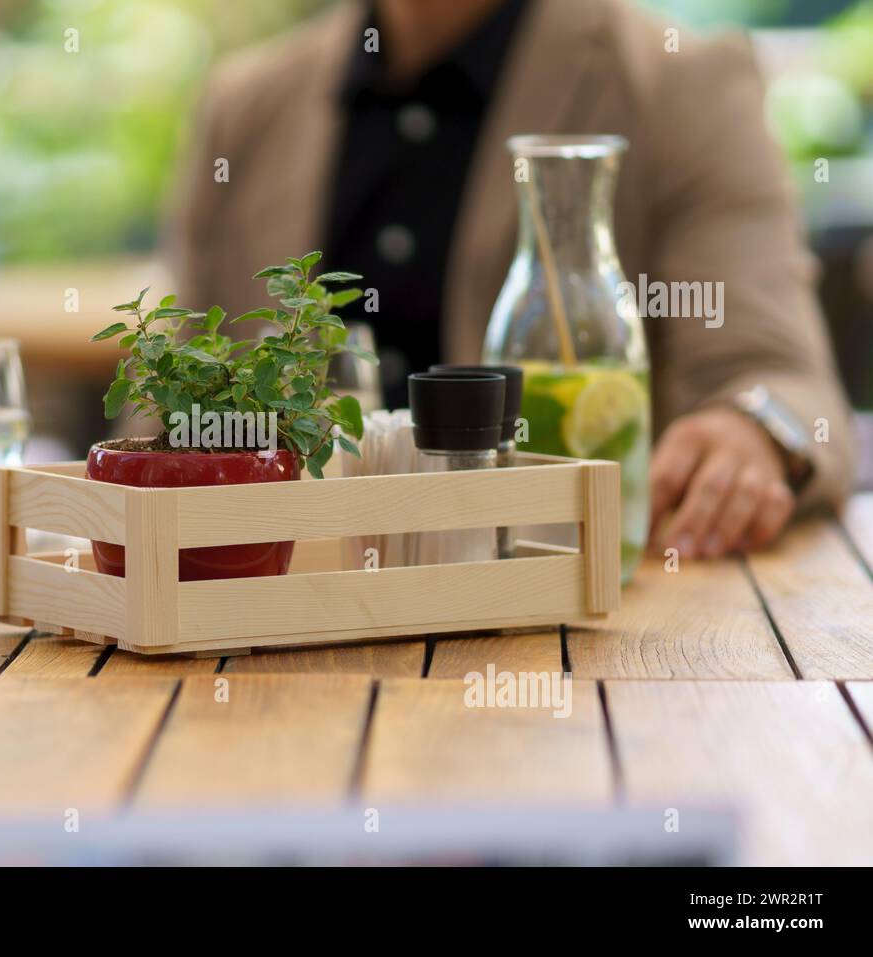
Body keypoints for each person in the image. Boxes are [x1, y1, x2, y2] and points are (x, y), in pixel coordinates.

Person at [164, 0, 854, 560]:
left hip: (578, 640)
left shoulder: (679, 85)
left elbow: (780, 379)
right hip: (279, 626)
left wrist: (752, 431)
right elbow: (171, 406)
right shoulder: (245, 108)